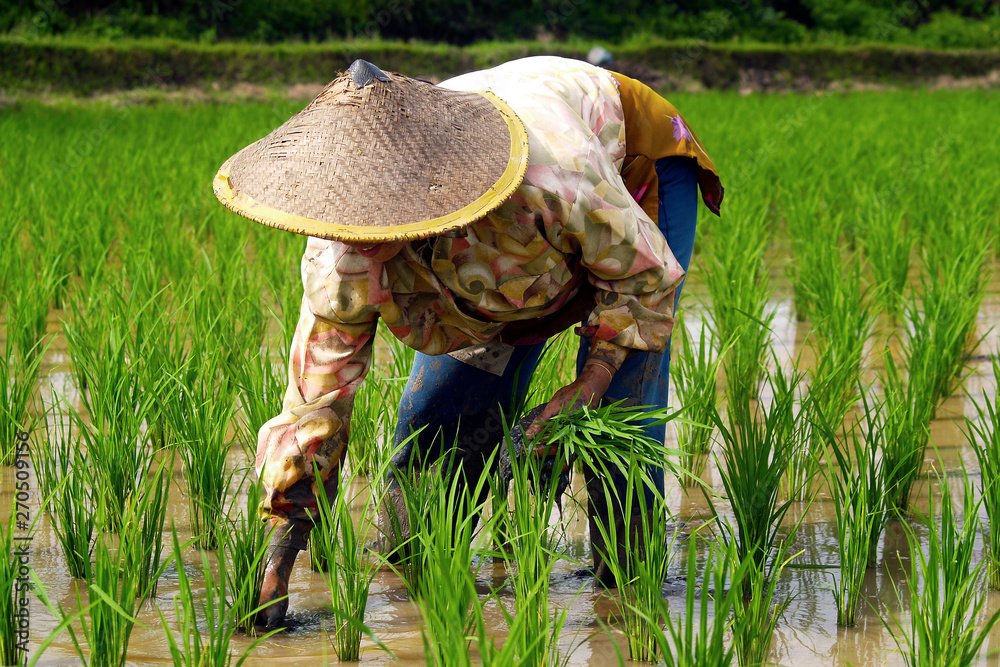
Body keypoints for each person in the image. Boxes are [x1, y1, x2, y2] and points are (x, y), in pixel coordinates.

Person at [213, 56, 723, 630]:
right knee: (434, 440)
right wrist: (278, 553)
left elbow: (639, 279)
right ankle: (420, 580)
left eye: (384, 223)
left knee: (621, 419)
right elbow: (316, 403)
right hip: (499, 272)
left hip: (625, 174)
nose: (363, 243)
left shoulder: (555, 176)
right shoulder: (340, 251)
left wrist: (590, 382)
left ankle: (627, 590)